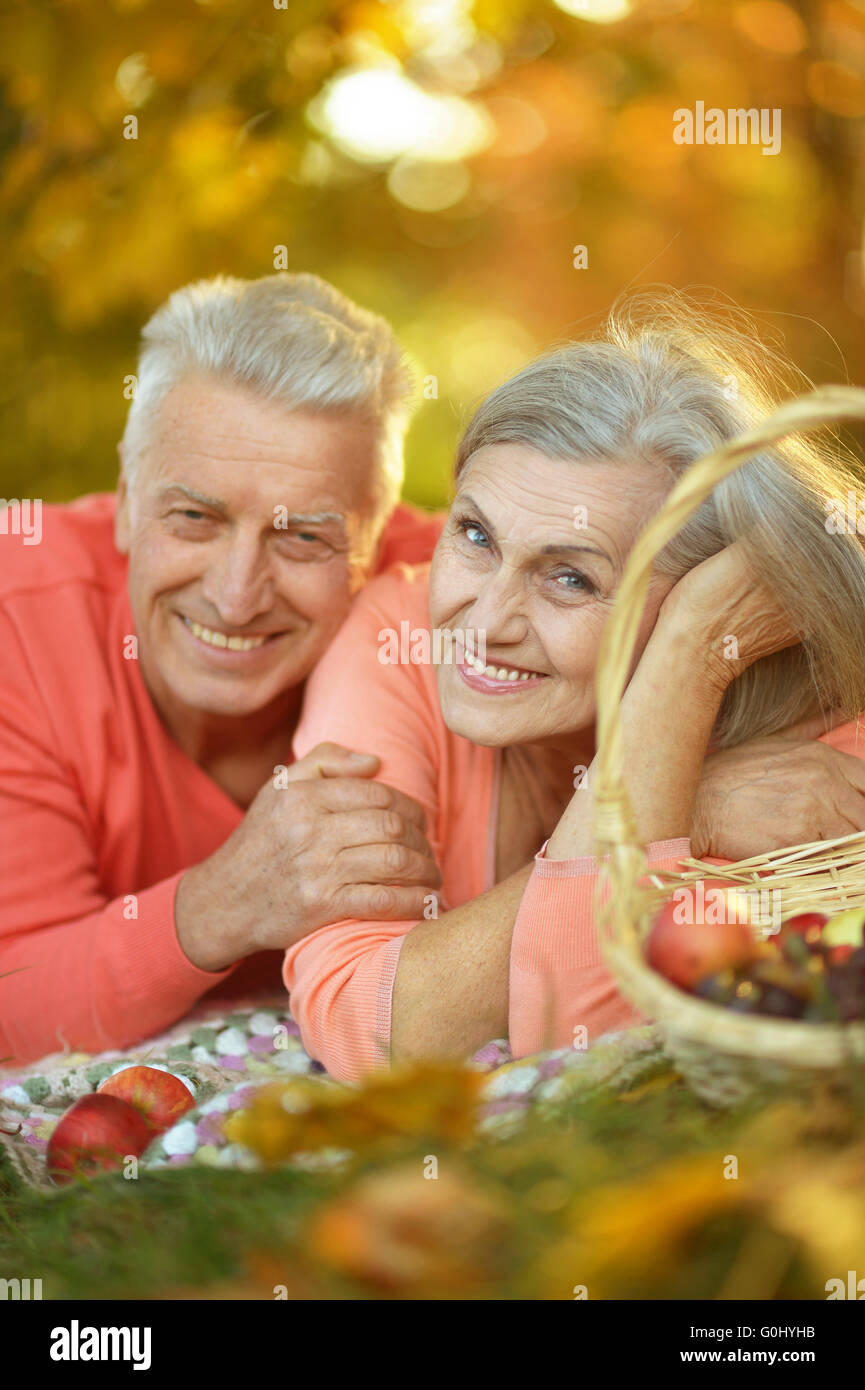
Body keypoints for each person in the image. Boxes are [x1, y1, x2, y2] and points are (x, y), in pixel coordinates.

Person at [284, 290, 865, 1080]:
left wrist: (688, 660)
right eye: (476, 534)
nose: (482, 623)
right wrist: (688, 806)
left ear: (723, 594)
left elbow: (581, 1029)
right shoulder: (398, 636)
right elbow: (374, 1027)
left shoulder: (822, 710)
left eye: (568, 577)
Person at [0, 272, 446, 1066]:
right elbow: (13, 993)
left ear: (379, 537)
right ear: (130, 501)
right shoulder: (17, 615)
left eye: (303, 538)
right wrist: (224, 905)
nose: (236, 596)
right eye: (195, 518)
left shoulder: (462, 592)